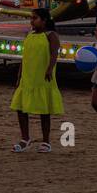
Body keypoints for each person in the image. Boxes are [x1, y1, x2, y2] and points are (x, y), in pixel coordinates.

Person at [11, 8, 64, 152]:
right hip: (28, 77)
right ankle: (25, 138)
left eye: (35, 18)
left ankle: (46, 141)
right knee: (20, 108)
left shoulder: (51, 35)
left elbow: (54, 54)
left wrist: (49, 69)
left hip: (43, 78)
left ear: (44, 20)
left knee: (44, 109)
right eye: (31, 18)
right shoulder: (30, 35)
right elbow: (25, 57)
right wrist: (19, 75)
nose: (32, 21)